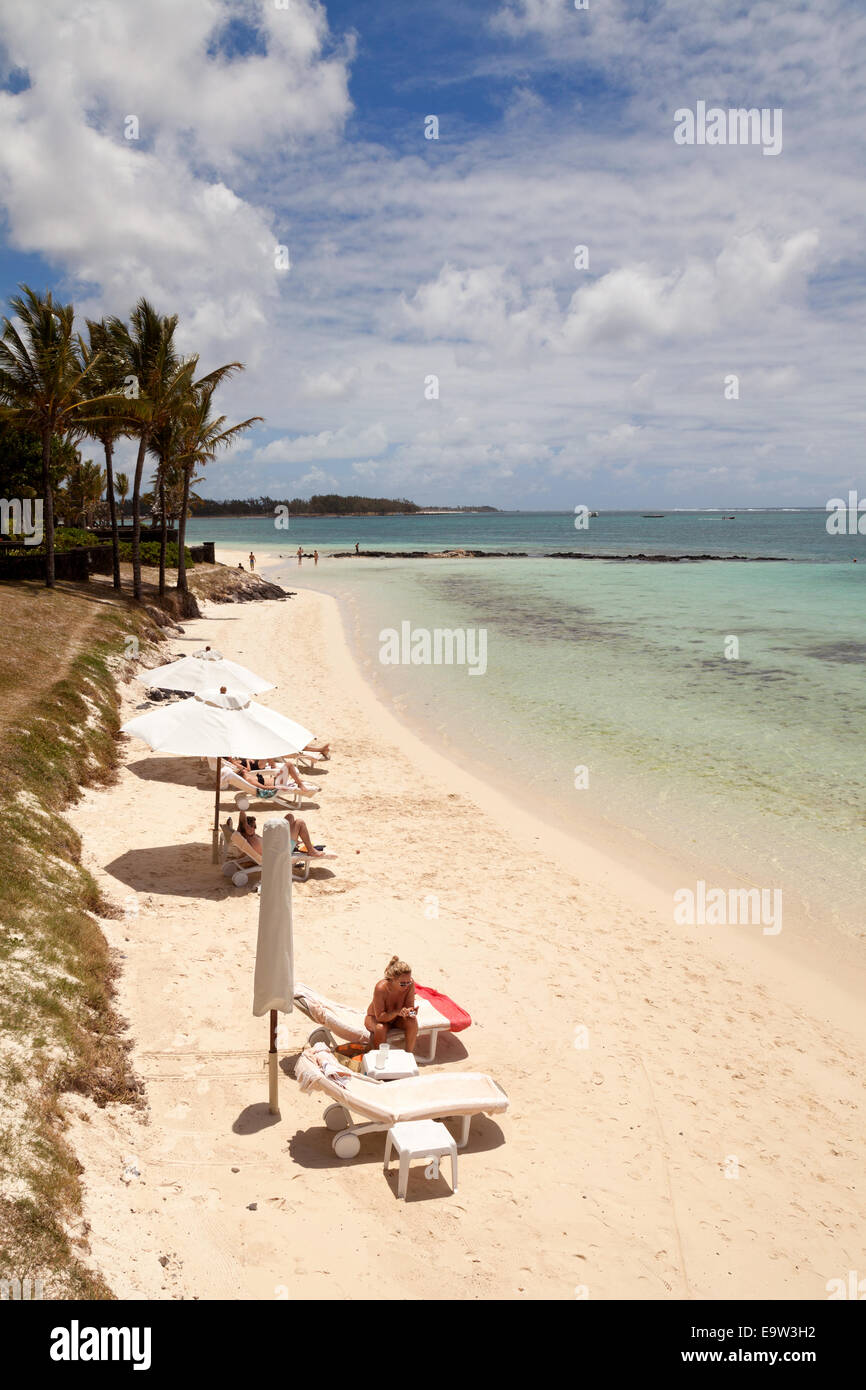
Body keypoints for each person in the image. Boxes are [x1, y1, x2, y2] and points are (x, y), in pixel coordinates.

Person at [364, 956, 417, 1054]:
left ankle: (409, 1054)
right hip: (375, 1018)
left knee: (412, 1022)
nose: (406, 986)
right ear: (392, 980)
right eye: (402, 984)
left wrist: (411, 1012)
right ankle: (380, 1057)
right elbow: (380, 1017)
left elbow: (410, 1006)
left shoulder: (410, 984)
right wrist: (397, 1012)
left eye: (408, 982)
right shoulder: (381, 988)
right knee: (380, 1028)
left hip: (397, 1018)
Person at [237, 807, 325, 858]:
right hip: (280, 852)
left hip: (275, 844)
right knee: (299, 822)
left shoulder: (244, 834)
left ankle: (295, 838)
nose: (254, 829)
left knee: (289, 817)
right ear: (247, 827)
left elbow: (242, 819)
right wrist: (244, 821)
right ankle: (311, 851)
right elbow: (243, 819)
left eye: (255, 827)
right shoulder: (249, 834)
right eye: (253, 826)